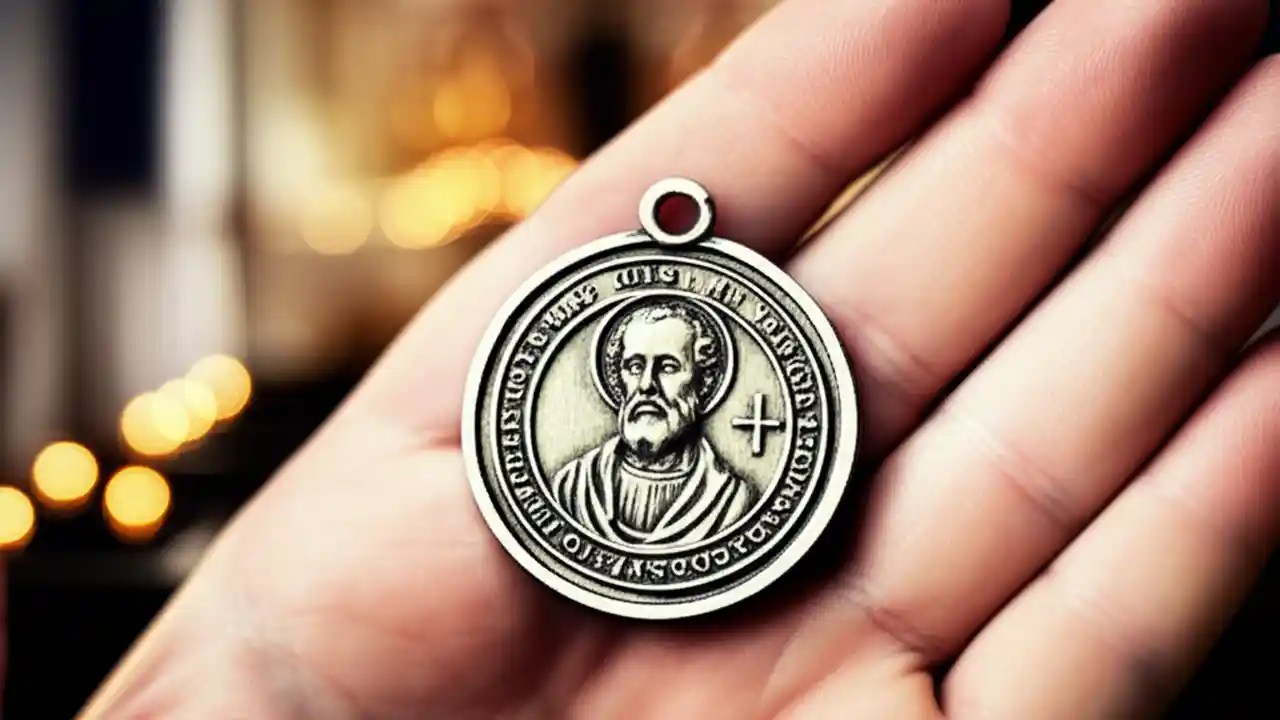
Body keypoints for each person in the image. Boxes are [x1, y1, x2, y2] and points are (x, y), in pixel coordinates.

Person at [84, 0, 1280, 717]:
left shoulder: (746, 491)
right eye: (634, 372)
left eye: (682, 373)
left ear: (713, 384)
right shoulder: (569, 489)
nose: (655, 392)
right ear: (603, 383)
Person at [553, 300, 757, 546]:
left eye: (668, 367)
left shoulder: (729, 498)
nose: (647, 384)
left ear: (703, 381)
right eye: (635, 367)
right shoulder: (574, 484)